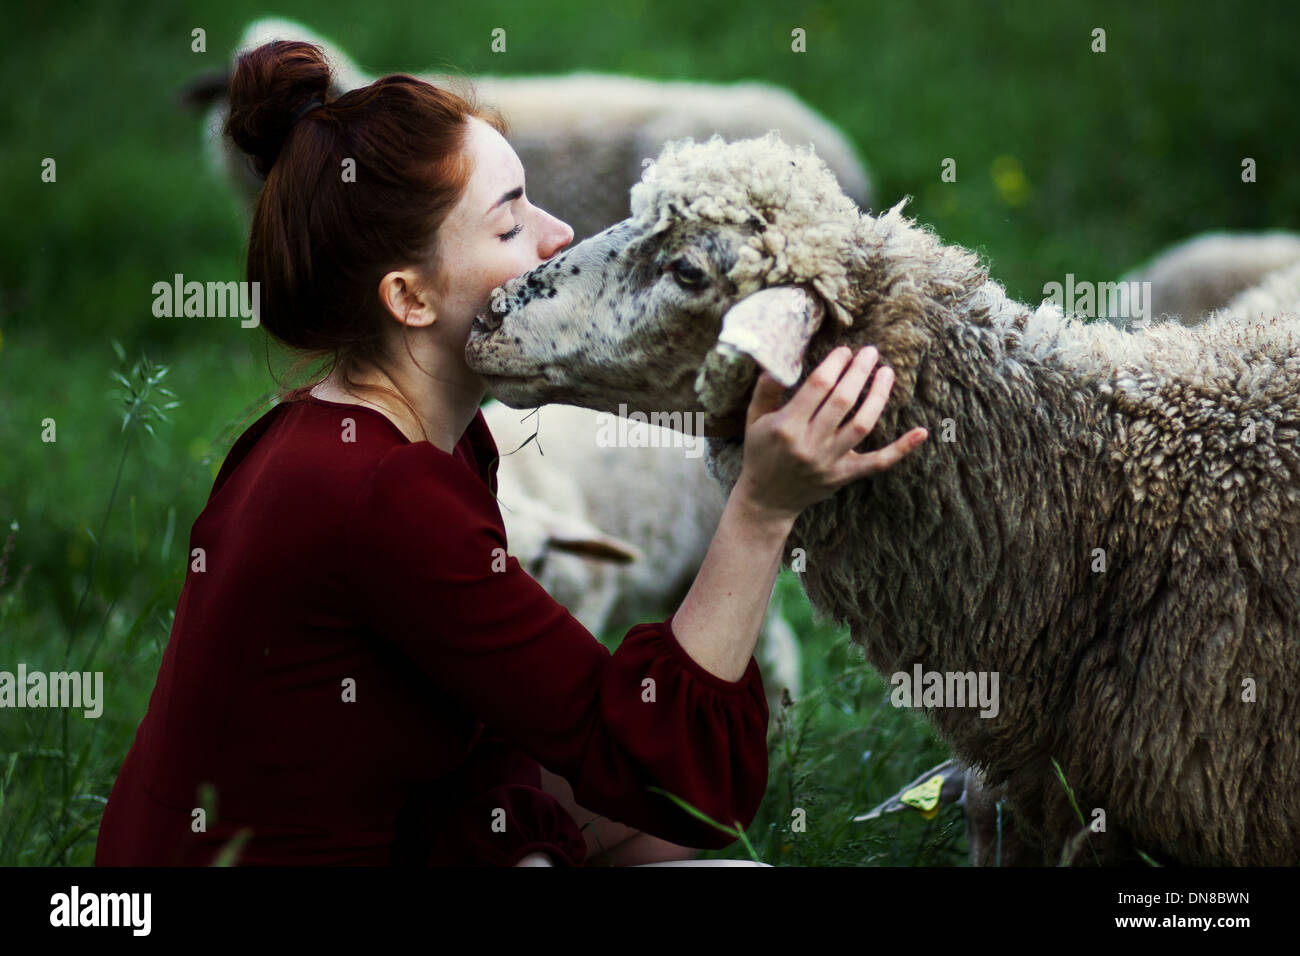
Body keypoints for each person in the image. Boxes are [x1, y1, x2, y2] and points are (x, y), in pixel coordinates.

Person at [94, 40, 928, 867]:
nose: (560, 234)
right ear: (409, 297)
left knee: (663, 834)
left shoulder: (353, 435)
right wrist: (761, 510)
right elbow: (672, 769)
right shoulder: (382, 489)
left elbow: (543, 738)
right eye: (511, 221)